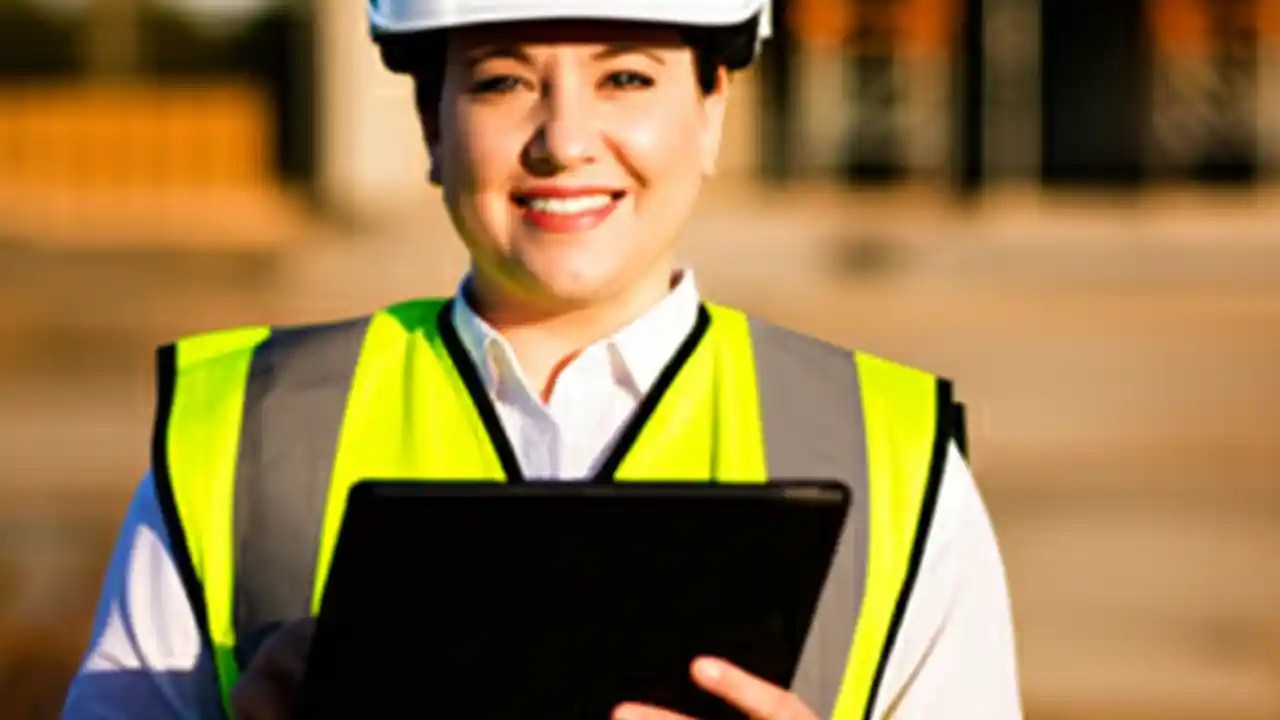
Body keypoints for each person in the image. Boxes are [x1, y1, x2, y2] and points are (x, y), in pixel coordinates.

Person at [63, 1, 1021, 717]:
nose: (564, 142)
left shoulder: (893, 454)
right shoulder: (237, 432)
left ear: (712, 108)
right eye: (503, 80)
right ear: (432, 124)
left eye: (627, 78)